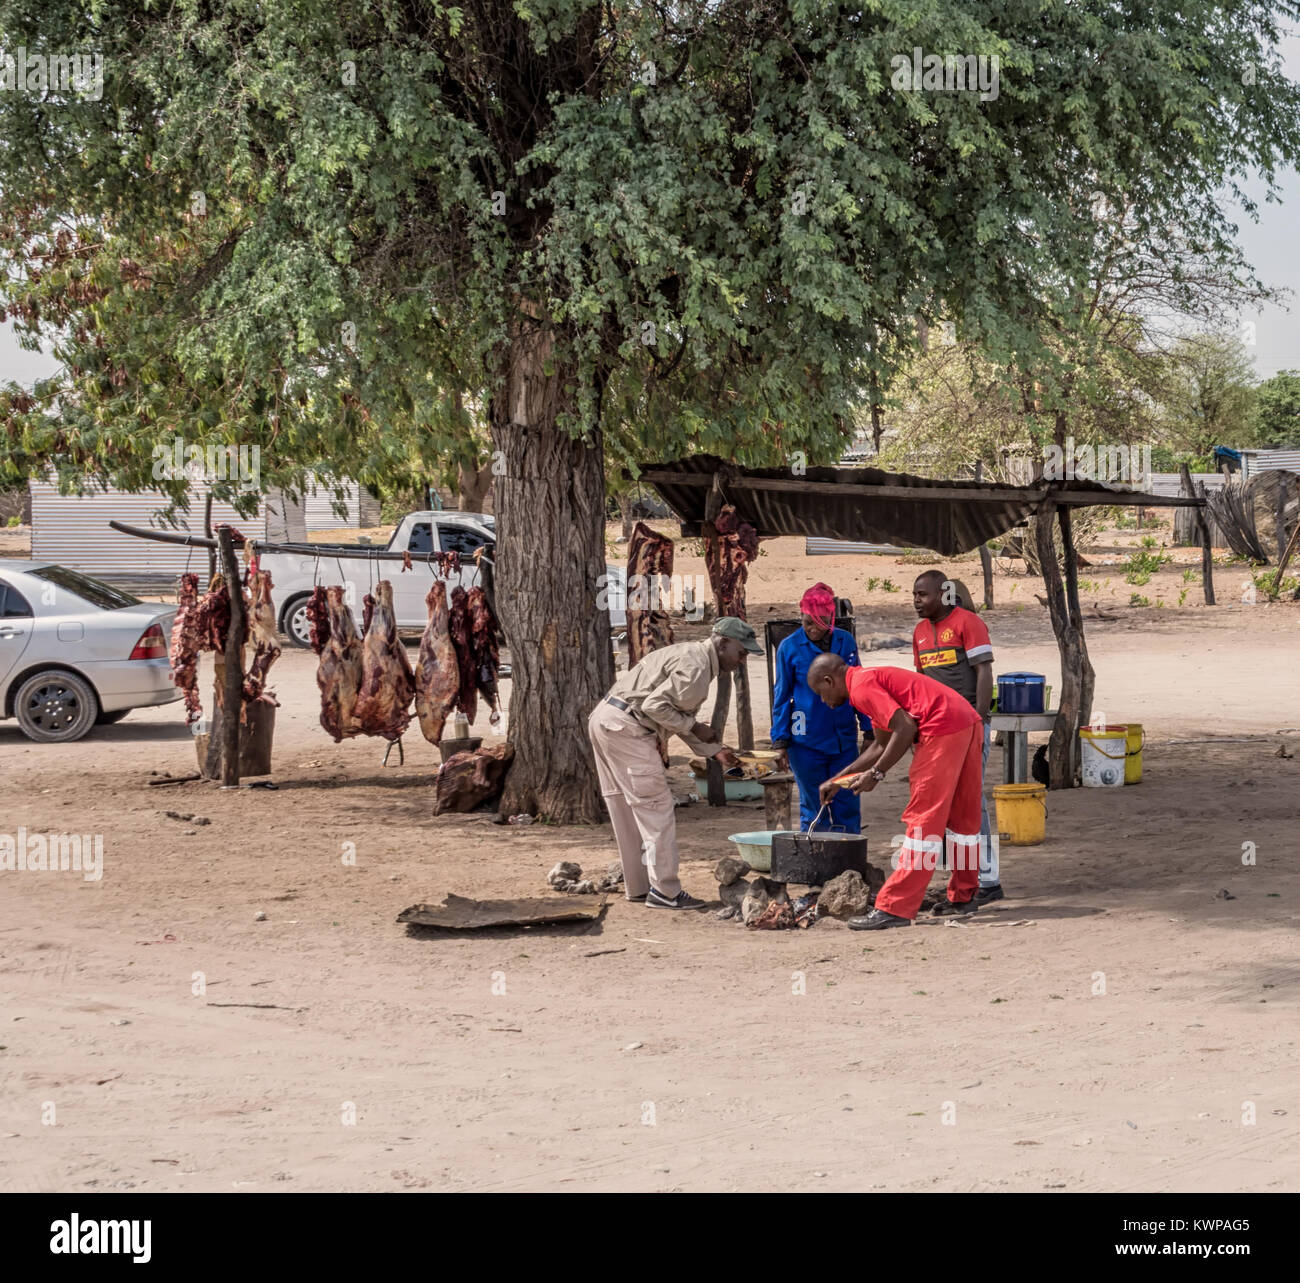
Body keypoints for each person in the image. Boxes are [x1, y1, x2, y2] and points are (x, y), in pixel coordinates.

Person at [587, 617, 760, 910]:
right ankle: (665, 892)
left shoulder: (692, 654)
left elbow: (671, 714)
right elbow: (655, 707)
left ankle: (640, 887)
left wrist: (715, 750)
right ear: (723, 643)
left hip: (607, 719)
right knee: (656, 808)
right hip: (628, 728)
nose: (742, 661)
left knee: (625, 807)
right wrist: (695, 728)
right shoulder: (697, 667)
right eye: (741, 652)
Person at [808, 653, 982, 930]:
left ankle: (896, 907)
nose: (823, 701)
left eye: (821, 692)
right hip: (966, 720)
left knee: (924, 818)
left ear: (829, 680)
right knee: (963, 817)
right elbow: (881, 745)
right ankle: (965, 894)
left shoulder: (862, 687)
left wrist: (876, 774)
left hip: (942, 727)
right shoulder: (868, 680)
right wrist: (839, 779)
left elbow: (905, 727)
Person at [911, 569, 1003, 906]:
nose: (917, 602)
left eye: (923, 595)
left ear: (943, 594)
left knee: (971, 802)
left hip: (969, 726)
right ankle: (964, 880)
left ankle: (987, 879)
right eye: (914, 595)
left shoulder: (968, 623)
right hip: (938, 731)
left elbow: (984, 672)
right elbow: (922, 684)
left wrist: (979, 720)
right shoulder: (920, 632)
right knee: (949, 806)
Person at [769, 583, 871, 834]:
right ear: (801, 618)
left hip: (843, 739)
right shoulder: (789, 648)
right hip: (805, 742)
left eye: (821, 622)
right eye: (807, 623)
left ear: (831, 618)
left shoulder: (845, 641)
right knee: (814, 805)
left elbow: (858, 683)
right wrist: (780, 742)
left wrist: (868, 729)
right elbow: (781, 696)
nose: (814, 630)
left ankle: (849, 863)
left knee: (848, 800)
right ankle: (816, 862)